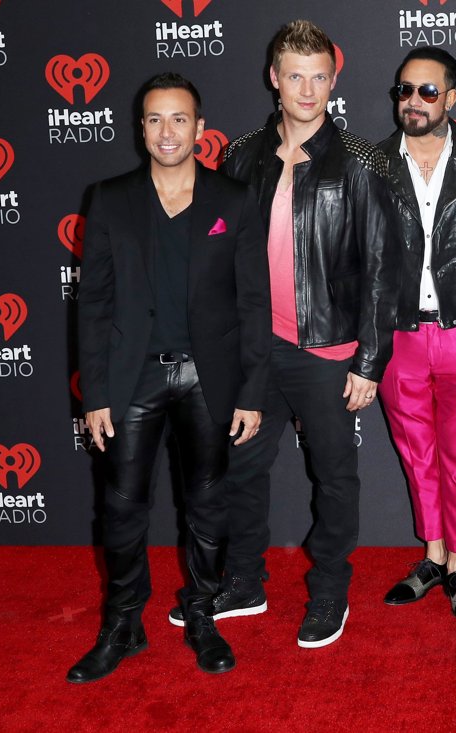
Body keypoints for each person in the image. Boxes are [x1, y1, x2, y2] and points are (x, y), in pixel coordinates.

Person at [167, 19, 398, 649]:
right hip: (253, 348)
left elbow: (383, 269)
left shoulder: (361, 161)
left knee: (334, 475)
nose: (307, 89)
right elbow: (218, 259)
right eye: (295, 76)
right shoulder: (241, 155)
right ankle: (244, 580)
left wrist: (370, 361)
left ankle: (329, 590)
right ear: (274, 78)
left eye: (319, 77)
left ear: (333, 79)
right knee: (241, 468)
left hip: (327, 349)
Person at [68, 72, 271, 682]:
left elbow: (253, 304)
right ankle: (123, 623)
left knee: (208, 506)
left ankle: (203, 615)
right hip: (132, 381)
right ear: (140, 128)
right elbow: (94, 303)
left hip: (209, 381)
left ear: (201, 128)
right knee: (122, 507)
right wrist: (95, 392)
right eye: (155, 119)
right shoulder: (108, 197)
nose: (167, 131)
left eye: (179, 118)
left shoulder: (233, 200)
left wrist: (252, 391)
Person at [376, 47, 456, 623]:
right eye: (405, 90)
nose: (414, 102)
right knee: (416, 453)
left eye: (428, 92)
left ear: (451, 98)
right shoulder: (372, 163)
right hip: (397, 332)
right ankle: (431, 556)